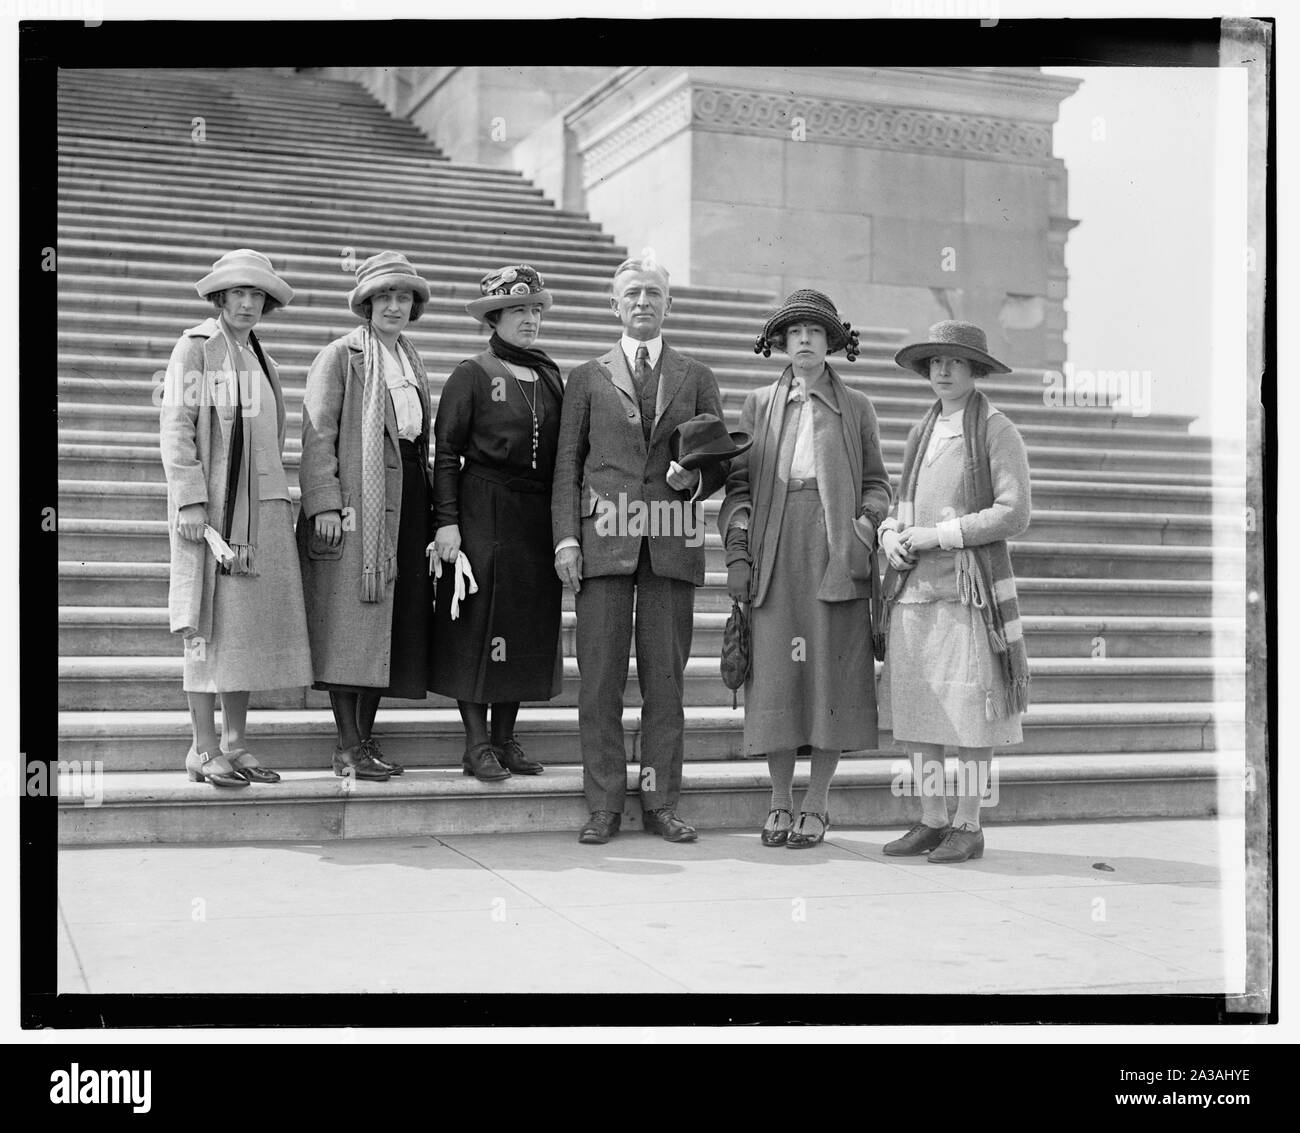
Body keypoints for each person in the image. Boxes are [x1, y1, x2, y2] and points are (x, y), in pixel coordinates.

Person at [553, 257, 730, 844]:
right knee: (599, 682)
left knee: (666, 685)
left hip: (670, 548)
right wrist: (566, 538)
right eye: (632, 294)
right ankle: (603, 804)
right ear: (615, 306)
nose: (644, 302)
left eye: (654, 293)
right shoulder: (586, 377)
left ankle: (660, 802)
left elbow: (718, 462)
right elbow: (566, 468)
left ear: (669, 305)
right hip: (604, 545)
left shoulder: (696, 375)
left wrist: (695, 483)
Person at [719, 290, 892, 848]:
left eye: (815, 333)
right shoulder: (758, 404)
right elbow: (738, 485)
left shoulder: (856, 406)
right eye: (793, 333)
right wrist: (739, 549)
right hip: (775, 544)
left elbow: (877, 483)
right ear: (778, 343)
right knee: (775, 676)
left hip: (835, 546)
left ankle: (816, 804)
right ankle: (778, 801)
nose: (804, 341)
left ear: (831, 343)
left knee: (830, 679)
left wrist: (865, 526)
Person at [876, 320, 1032, 864]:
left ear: (976, 370)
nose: (943, 371)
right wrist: (891, 534)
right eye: (935, 362)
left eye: (956, 362)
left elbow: (1015, 513)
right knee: (919, 707)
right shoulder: (921, 434)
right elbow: (902, 504)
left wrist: (942, 534)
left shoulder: (994, 429)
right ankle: (931, 819)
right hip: (915, 588)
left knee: (970, 707)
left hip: (970, 589)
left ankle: (969, 823)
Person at [160, 248, 313, 787]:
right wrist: (189, 500)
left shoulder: (264, 359)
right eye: (237, 293)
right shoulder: (198, 348)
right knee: (208, 625)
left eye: (256, 294)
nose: (247, 302)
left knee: (242, 630)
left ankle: (236, 742)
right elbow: (177, 425)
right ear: (220, 297)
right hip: (216, 510)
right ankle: (202, 748)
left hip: (263, 512)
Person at [296, 251, 435, 782]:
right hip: (357, 506)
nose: (395, 306)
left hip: (406, 504)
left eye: (403, 297)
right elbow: (318, 435)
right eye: (385, 297)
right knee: (350, 623)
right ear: (366, 304)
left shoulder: (411, 358)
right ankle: (347, 744)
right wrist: (324, 504)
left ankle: (365, 740)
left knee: (385, 623)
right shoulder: (340, 356)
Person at [429, 265, 564, 781]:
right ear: (494, 318)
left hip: (534, 514)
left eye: (535, 310)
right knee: (480, 620)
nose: (530, 319)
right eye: (517, 311)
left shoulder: (551, 375)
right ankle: (476, 743)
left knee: (525, 622)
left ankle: (507, 738)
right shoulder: (474, 373)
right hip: (483, 507)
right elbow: (446, 453)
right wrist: (448, 523)